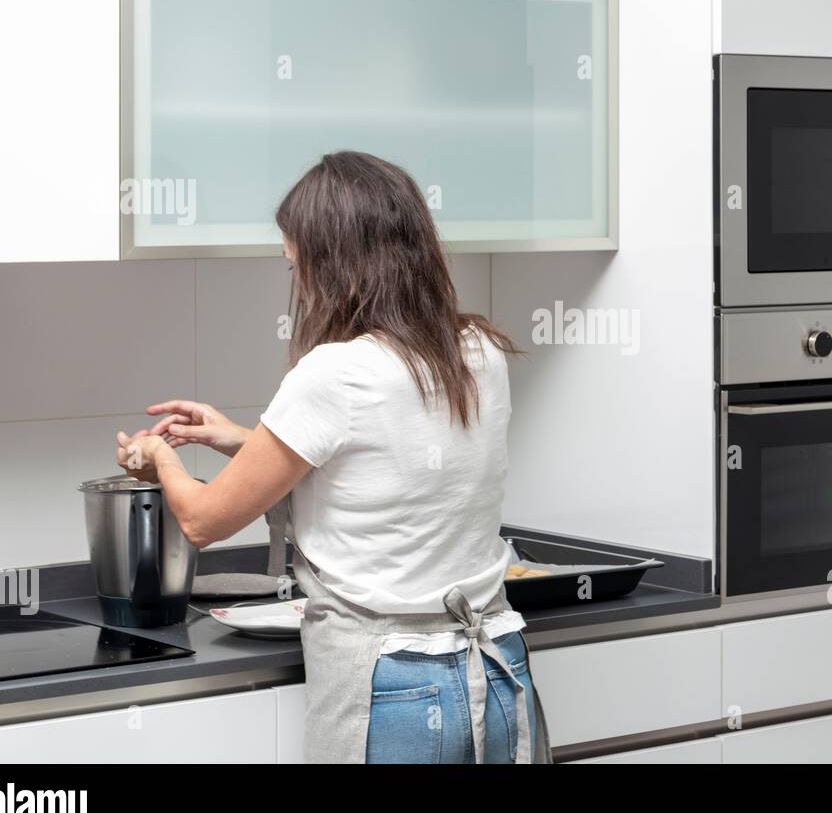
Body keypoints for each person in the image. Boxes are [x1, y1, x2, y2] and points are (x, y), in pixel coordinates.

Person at [116, 150, 547, 763]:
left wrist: (159, 457)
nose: (301, 283)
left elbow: (203, 520)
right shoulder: (479, 351)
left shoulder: (335, 373)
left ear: (333, 264)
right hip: (498, 672)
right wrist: (243, 438)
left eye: (299, 264)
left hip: (392, 687)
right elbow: (389, 457)